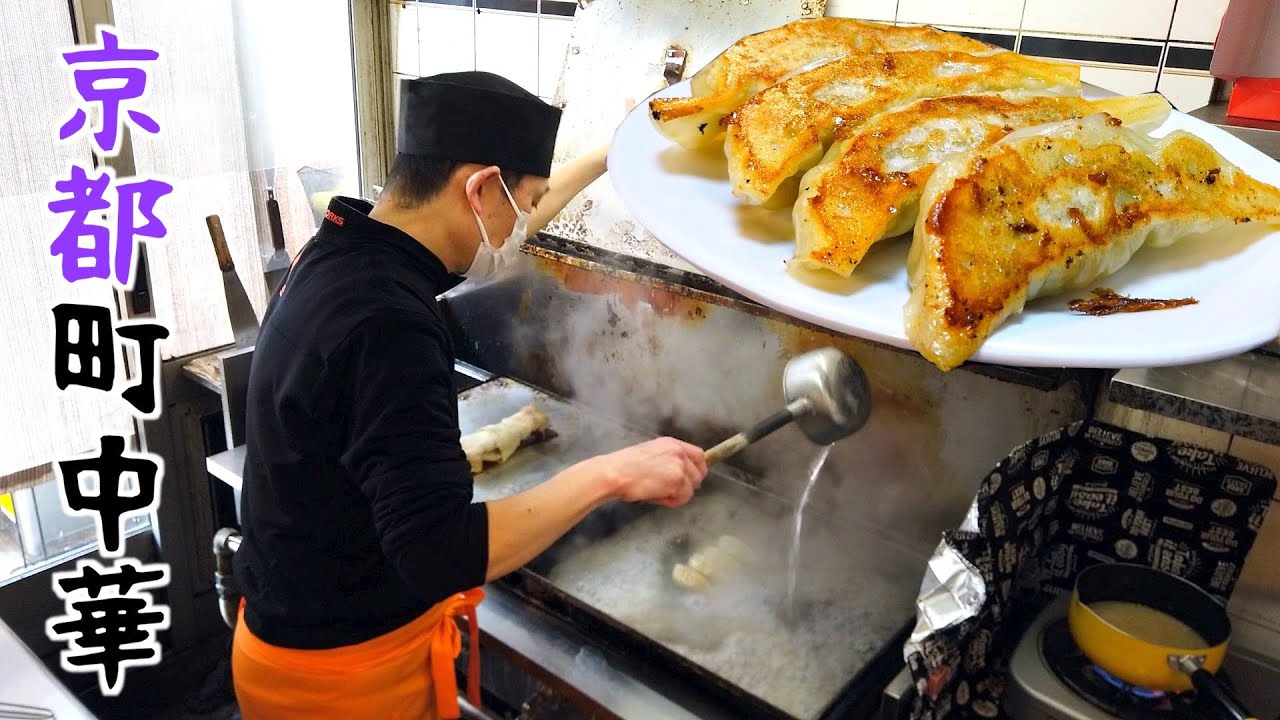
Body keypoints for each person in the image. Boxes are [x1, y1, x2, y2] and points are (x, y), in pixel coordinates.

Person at [230, 71, 708, 720]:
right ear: (479, 190)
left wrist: (607, 154)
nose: (524, 227)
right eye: (524, 203)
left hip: (289, 641)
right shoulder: (387, 326)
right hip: (343, 685)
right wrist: (611, 474)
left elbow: (512, 216)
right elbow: (440, 554)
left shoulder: (346, 247)